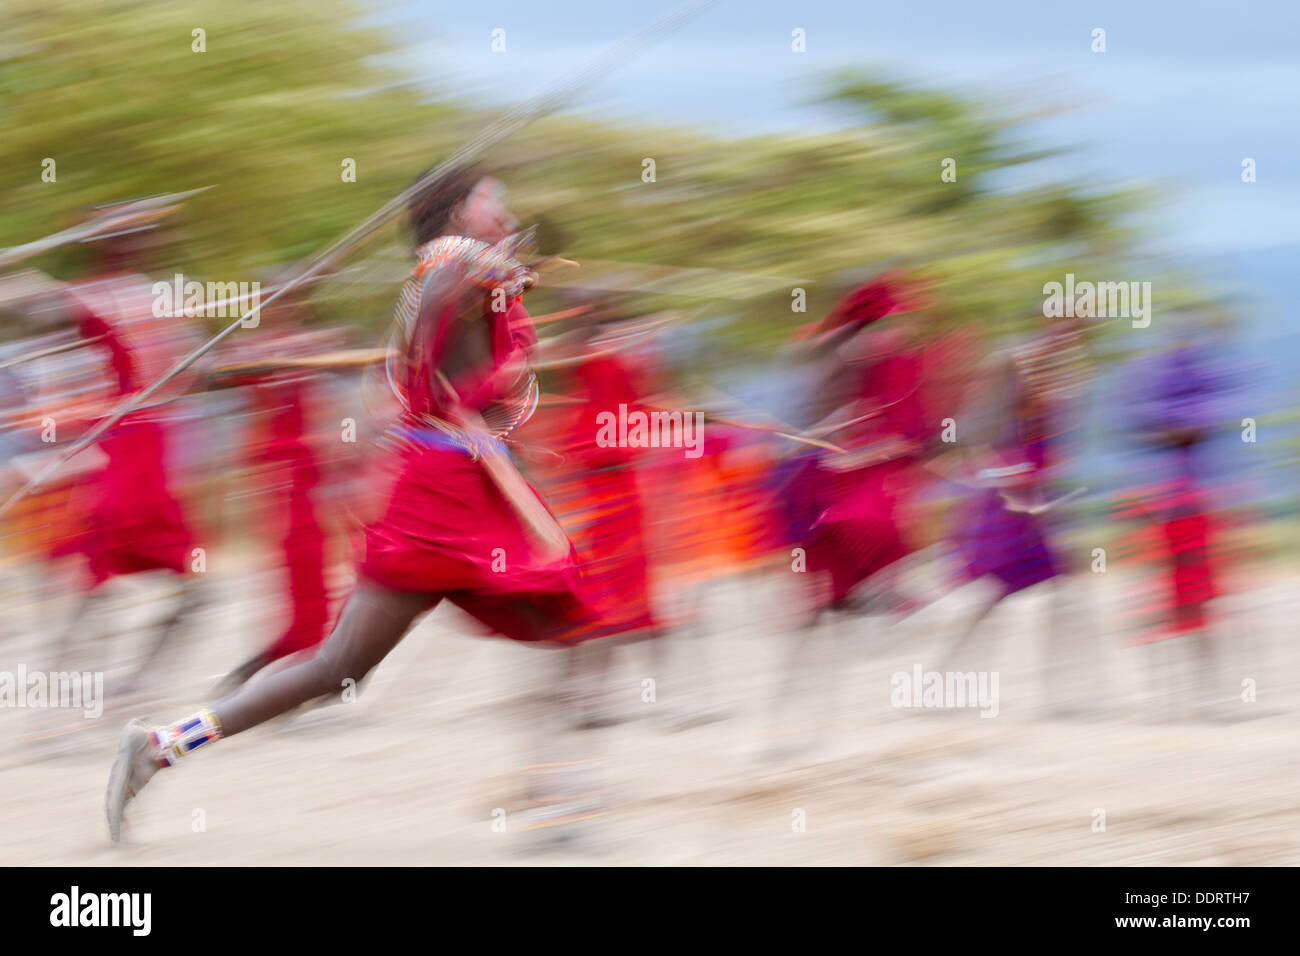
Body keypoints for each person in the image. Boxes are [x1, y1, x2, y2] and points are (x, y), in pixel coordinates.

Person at [106, 167, 609, 842]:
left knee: (344, 666)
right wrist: (490, 276)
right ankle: (554, 804)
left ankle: (161, 746)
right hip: (441, 498)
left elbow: (461, 367)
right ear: (459, 211)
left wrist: (501, 277)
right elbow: (438, 374)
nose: (507, 210)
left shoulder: (465, 274)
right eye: (495, 200)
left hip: (453, 492)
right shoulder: (449, 274)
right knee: (553, 624)